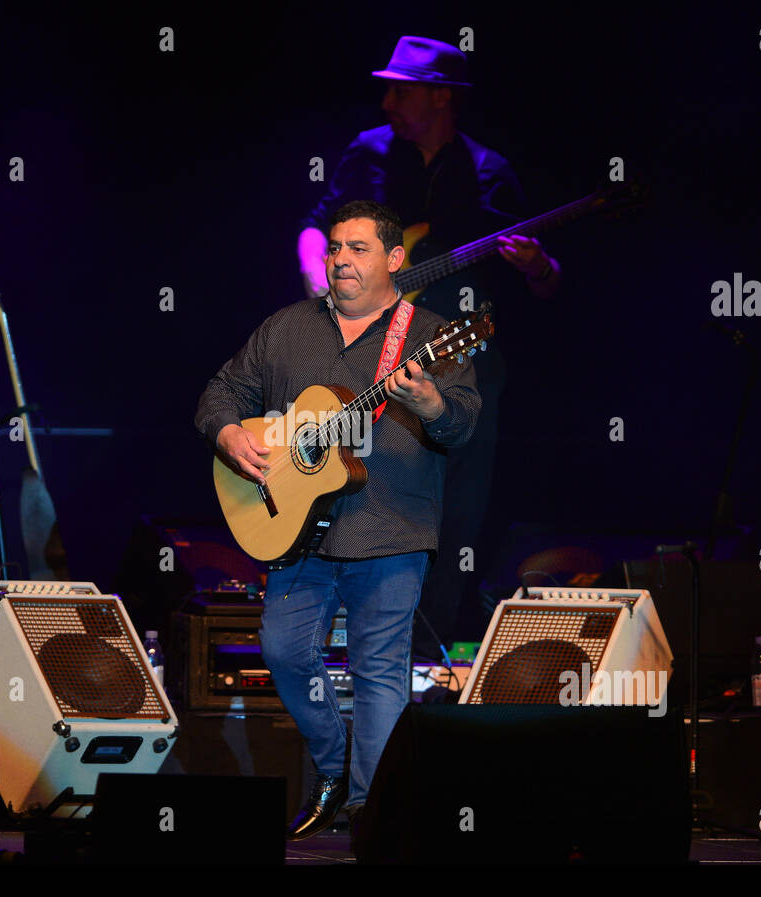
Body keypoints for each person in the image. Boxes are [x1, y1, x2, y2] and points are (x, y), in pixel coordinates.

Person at [196, 199, 480, 839]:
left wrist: (433, 402)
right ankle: (336, 760)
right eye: (335, 248)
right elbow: (220, 393)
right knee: (282, 651)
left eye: (358, 249)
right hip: (294, 529)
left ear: (395, 260)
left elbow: (462, 423)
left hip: (390, 530)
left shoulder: (432, 335)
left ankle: (371, 813)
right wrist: (231, 435)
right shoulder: (285, 329)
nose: (342, 260)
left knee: (379, 668)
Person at [298, 35, 561, 663]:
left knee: (455, 516)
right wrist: (317, 277)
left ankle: (425, 656)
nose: (387, 101)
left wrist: (535, 265)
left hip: (462, 364)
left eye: (400, 89)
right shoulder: (368, 154)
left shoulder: (490, 172)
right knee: (365, 494)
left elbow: (548, 286)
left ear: (440, 96)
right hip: (372, 361)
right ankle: (355, 649)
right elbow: (315, 227)